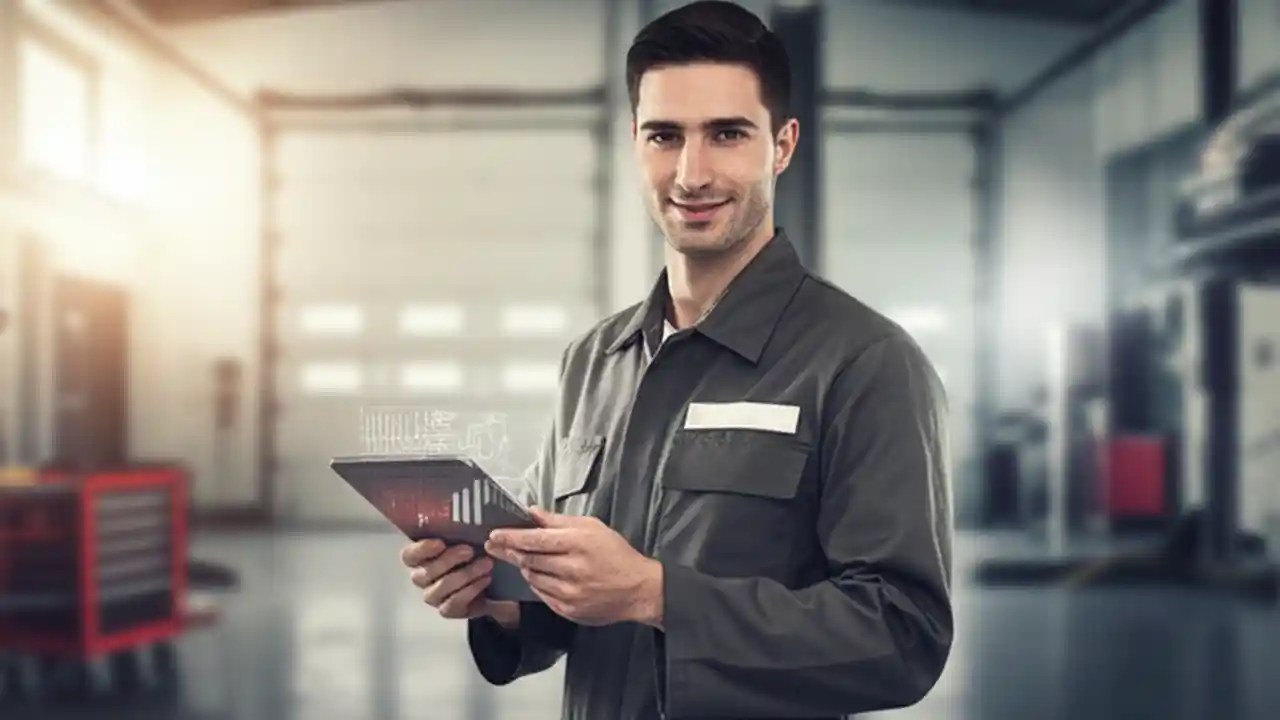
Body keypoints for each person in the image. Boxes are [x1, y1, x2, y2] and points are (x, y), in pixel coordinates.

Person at [399, 2, 953, 718]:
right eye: (666, 136)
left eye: (727, 134)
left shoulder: (864, 364)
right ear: (635, 142)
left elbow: (903, 638)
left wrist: (657, 595)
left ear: (781, 146)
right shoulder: (593, 362)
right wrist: (495, 599)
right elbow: (565, 613)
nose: (692, 174)